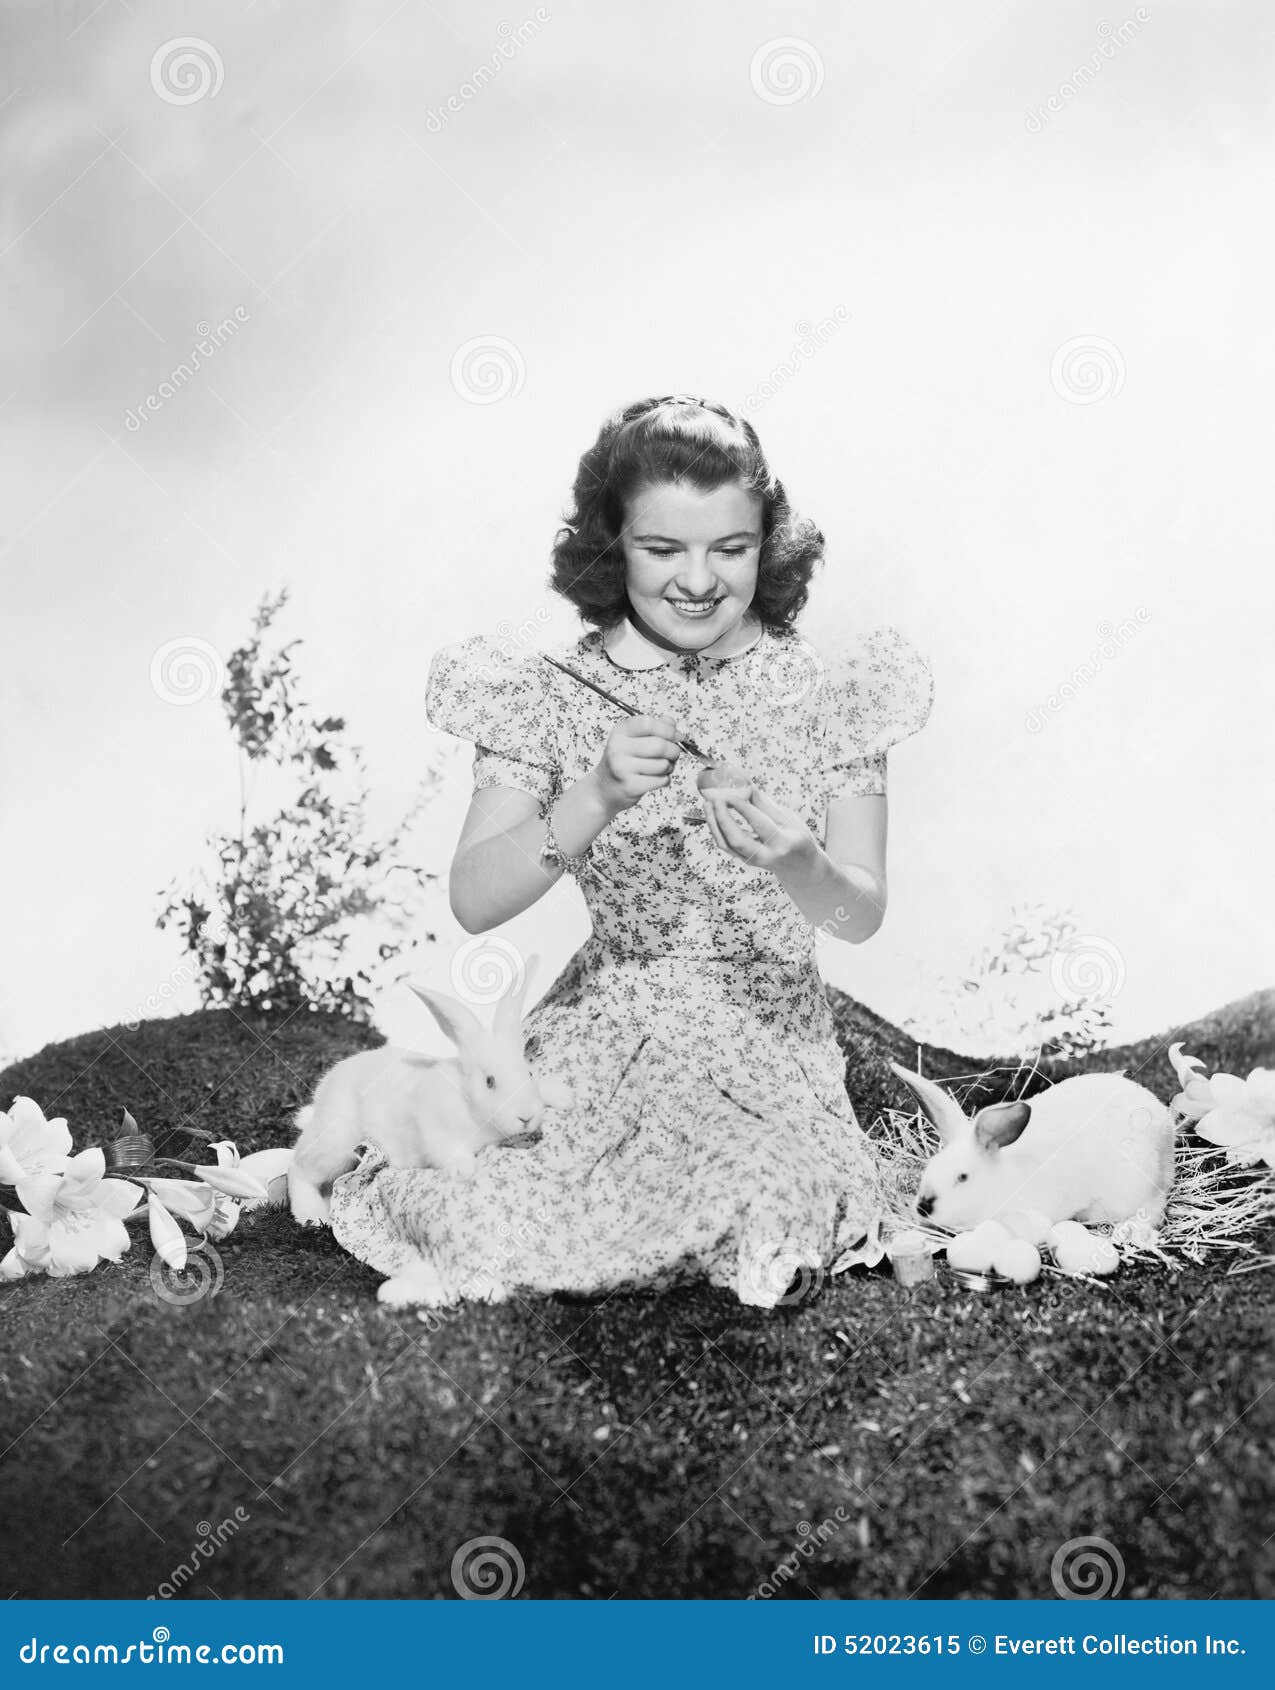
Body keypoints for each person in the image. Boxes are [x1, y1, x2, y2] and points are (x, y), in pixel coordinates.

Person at [329, 394, 934, 1307]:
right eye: (661, 550)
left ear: (766, 543)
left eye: (729, 549)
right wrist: (595, 797)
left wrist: (800, 863)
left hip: (765, 1038)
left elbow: (858, 917)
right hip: (600, 1030)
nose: (697, 580)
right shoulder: (549, 691)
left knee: (762, 1192)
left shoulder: (832, 689)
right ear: (611, 545)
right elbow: (475, 902)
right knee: (476, 1197)